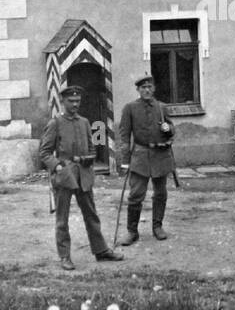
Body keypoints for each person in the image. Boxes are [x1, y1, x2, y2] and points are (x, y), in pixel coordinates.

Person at [38, 85, 124, 271]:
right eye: (71, 101)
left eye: (78, 101)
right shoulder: (55, 123)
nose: (75, 104)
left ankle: (101, 251)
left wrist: (86, 160)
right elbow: (44, 153)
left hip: (83, 176)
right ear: (63, 102)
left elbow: (92, 149)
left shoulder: (85, 122)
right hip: (65, 177)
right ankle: (65, 256)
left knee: (91, 215)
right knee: (63, 219)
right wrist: (59, 167)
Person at [117, 75, 175, 245]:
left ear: (154, 89)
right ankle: (132, 231)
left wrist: (168, 128)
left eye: (149, 87)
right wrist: (125, 161)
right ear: (138, 90)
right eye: (143, 88)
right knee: (136, 194)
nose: (147, 90)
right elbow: (124, 136)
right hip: (140, 156)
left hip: (160, 156)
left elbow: (172, 129)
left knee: (160, 193)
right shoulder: (130, 108)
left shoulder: (161, 107)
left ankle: (157, 227)